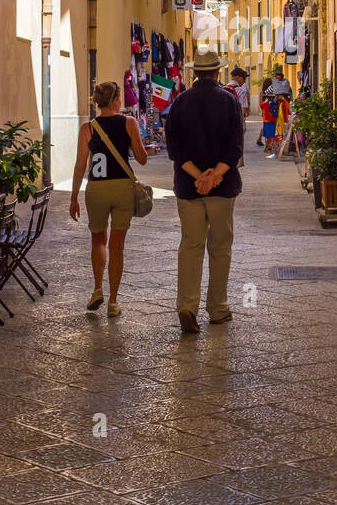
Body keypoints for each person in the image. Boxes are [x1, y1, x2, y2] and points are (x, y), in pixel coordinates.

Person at [164, 45, 243, 333]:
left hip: (188, 187)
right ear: (217, 71)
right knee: (220, 248)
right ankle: (218, 309)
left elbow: (175, 149)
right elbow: (234, 148)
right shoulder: (229, 101)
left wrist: (199, 176)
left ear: (194, 73)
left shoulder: (180, 102)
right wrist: (214, 176)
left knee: (190, 245)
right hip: (222, 188)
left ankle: (187, 305)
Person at [69, 80, 148, 317]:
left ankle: (96, 290)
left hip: (97, 190)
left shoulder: (88, 128)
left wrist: (74, 197)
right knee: (117, 245)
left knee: (98, 241)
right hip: (122, 189)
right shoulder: (129, 123)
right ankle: (113, 301)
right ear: (114, 100)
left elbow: (80, 166)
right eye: (120, 97)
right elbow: (142, 159)